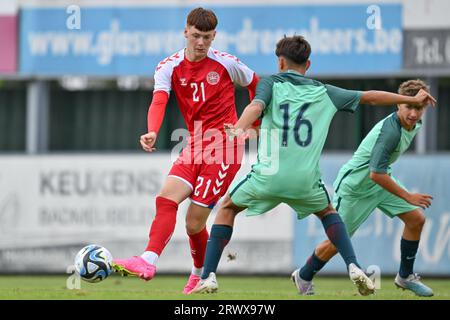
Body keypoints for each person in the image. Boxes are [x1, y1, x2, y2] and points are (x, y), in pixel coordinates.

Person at [190, 36, 436, 295]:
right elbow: (371, 98)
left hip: (268, 176)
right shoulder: (326, 92)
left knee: (228, 207)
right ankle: (353, 265)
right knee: (329, 214)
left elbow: (256, 105)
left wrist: (239, 128)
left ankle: (208, 275)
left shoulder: (271, 83)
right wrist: (407, 97)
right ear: (308, 65)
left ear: (280, 62)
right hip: (306, 181)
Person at [112, 7, 259, 294]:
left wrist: (252, 123)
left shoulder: (227, 64)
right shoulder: (168, 66)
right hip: (194, 144)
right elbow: (158, 101)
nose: (201, 42)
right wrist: (152, 129)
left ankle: (198, 274)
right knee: (166, 198)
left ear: (214, 36)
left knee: (193, 223)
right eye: (196, 36)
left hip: (225, 148)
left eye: (207, 37)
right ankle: (148, 260)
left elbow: (257, 85)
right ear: (185, 32)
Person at [294, 79, 436, 297]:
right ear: (398, 104)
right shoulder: (391, 133)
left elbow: (380, 174)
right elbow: (375, 173)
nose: (414, 114)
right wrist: (408, 196)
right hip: (355, 187)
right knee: (336, 242)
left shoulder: (414, 124)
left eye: (419, 108)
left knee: (416, 220)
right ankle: (304, 275)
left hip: (380, 183)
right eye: (409, 106)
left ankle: (405, 277)